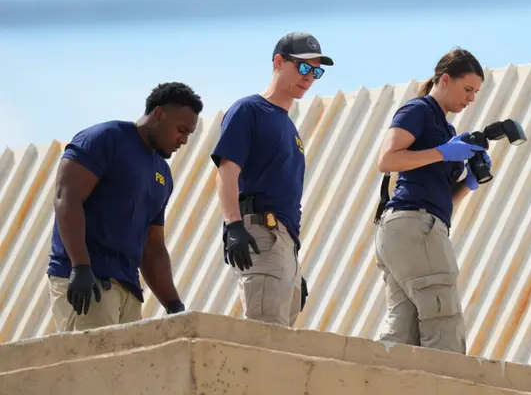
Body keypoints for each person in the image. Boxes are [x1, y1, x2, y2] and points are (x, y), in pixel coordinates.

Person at [46, 82, 204, 332]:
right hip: (89, 281)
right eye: (181, 130)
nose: (183, 140)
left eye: (188, 134)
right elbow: (66, 199)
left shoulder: (162, 174)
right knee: (95, 366)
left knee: (125, 369)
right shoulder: (105, 139)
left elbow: (152, 247)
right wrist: (80, 267)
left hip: (128, 289)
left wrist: (173, 305)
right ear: (159, 114)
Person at [373, 48, 491, 354]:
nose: (471, 99)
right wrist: (443, 153)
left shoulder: (445, 128)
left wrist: (469, 183)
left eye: (475, 92)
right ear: (446, 79)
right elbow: (386, 160)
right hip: (415, 224)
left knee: (404, 326)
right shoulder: (419, 110)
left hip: (410, 227)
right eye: (467, 89)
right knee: (443, 320)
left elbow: (442, 199)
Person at [211, 31, 333, 327]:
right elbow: (227, 172)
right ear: (278, 62)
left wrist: (293, 263)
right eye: (303, 67)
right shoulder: (249, 110)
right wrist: (235, 226)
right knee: (265, 332)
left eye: (316, 71)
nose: (310, 76)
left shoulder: (290, 128)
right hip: (259, 232)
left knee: (282, 340)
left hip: (284, 241)